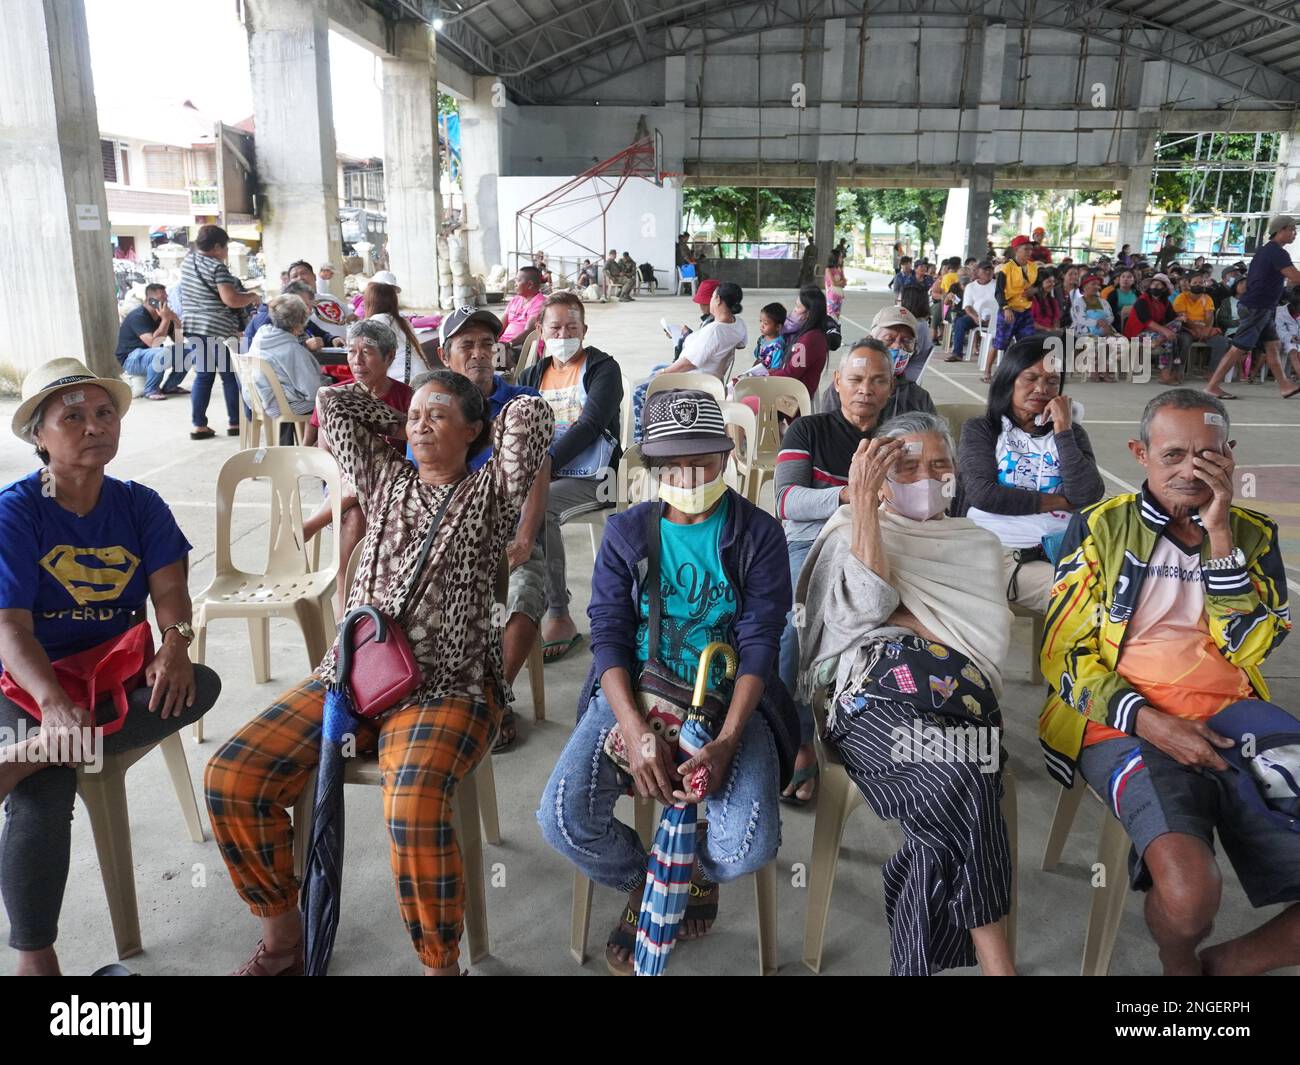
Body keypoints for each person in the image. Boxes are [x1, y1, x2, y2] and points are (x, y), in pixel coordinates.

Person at [207, 369, 552, 977]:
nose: (422, 423)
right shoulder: (385, 479)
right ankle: (285, 939)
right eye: (416, 414)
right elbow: (333, 403)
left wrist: (471, 415)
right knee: (233, 776)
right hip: (353, 677)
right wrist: (407, 418)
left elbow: (532, 416)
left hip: (449, 688)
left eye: (440, 415)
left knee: (413, 801)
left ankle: (441, 966)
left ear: (474, 431)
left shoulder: (490, 491)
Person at [1040, 388, 1300, 975]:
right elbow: (1063, 657)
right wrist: (1148, 721)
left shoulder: (1253, 533)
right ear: (1139, 452)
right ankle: (1178, 963)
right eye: (1174, 454)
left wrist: (1221, 538)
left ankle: (1225, 967)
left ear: (1230, 456)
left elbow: (1255, 644)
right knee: (1188, 898)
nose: (1191, 470)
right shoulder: (1101, 529)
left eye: (1207, 456)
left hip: (1238, 716)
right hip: (1124, 723)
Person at [537, 389, 788, 976]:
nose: (689, 473)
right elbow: (609, 636)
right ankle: (650, 878)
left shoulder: (758, 534)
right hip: (637, 689)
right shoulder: (627, 533)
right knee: (561, 820)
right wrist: (631, 725)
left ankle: (694, 868)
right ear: (650, 465)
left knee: (747, 842)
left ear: (726, 457)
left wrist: (725, 742)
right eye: (672, 462)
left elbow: (759, 644)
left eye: (703, 459)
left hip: (726, 700)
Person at [0, 358, 220, 975]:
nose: (95, 426)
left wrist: (175, 644)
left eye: (104, 413)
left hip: (111, 674)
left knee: (198, 684)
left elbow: (171, 596)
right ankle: (36, 960)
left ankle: (29, 755)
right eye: (72, 417)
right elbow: (10, 630)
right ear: (38, 437)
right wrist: (50, 702)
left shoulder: (138, 504)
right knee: (45, 797)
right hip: (27, 676)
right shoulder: (16, 511)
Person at [795, 412, 1016, 975]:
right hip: (874, 700)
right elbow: (863, 610)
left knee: (945, 810)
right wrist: (866, 508)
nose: (926, 476)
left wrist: (903, 615)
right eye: (907, 466)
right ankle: (998, 967)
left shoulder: (977, 543)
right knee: (965, 778)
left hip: (963, 702)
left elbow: (982, 643)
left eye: (939, 464)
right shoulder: (849, 528)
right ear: (880, 476)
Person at [775, 340, 895, 804]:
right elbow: (787, 502)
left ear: (890, 388)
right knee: (794, 627)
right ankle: (800, 738)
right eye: (857, 379)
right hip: (811, 544)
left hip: (886, 546)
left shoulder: (900, 436)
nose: (866, 390)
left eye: (877, 381)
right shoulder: (808, 430)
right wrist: (853, 494)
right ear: (838, 383)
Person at [955, 335, 1105, 612]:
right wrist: (1063, 501)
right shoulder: (982, 429)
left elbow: (1087, 493)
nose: (1041, 388)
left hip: (1066, 548)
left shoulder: (1070, 433)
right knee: (1083, 597)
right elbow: (984, 494)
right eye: (1031, 378)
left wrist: (1063, 431)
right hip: (1002, 551)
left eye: (1051, 382)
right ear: (1009, 381)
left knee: (1130, 588)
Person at [517, 292, 624, 663]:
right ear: (540, 330)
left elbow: (592, 424)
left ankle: (558, 614)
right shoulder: (532, 374)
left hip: (596, 476)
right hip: (546, 475)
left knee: (538, 508)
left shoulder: (602, 369)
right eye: (556, 327)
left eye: (572, 327)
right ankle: (521, 605)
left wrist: (546, 463)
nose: (564, 334)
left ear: (584, 329)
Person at [304, 320, 415, 605]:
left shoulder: (406, 398)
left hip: (390, 484)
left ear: (389, 357)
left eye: (367, 352)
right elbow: (325, 457)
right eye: (352, 352)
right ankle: (345, 601)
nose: (357, 360)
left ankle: (310, 527)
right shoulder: (336, 396)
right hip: (345, 488)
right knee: (354, 515)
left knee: (358, 506)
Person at [1204, 215, 1300, 400]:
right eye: (1292, 230)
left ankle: (1285, 385)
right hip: (1257, 307)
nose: (1295, 234)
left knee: (1272, 345)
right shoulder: (1277, 252)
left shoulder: (1266, 251)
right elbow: (1294, 277)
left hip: (1262, 306)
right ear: (1281, 230)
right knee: (1238, 348)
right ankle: (1212, 386)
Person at [634, 282, 747, 437]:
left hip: (695, 379)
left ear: (718, 299)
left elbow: (688, 363)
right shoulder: (738, 324)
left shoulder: (714, 331)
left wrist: (663, 373)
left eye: (713, 297)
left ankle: (642, 438)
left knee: (640, 391)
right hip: (713, 376)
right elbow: (739, 344)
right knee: (655, 369)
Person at [180, 224, 260, 440]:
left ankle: (199, 425)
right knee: (229, 376)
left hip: (193, 326)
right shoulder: (217, 268)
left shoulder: (188, 262)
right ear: (216, 247)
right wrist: (251, 296)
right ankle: (235, 422)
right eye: (225, 248)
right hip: (217, 328)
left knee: (203, 376)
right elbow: (231, 300)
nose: (225, 253)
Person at [245, 294, 325, 440]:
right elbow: (313, 391)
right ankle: (311, 449)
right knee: (327, 404)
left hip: (261, 398)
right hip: (283, 405)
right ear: (298, 326)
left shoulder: (261, 336)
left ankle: (302, 446)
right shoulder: (293, 350)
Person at [114, 283, 186, 400]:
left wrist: (176, 321)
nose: (165, 301)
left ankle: (171, 386)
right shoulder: (138, 316)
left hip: (151, 356)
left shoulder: (162, 316)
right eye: (160, 298)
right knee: (161, 352)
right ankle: (151, 390)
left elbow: (178, 341)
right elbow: (154, 344)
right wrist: (166, 319)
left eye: (165, 298)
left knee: (186, 350)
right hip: (131, 359)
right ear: (150, 300)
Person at [986, 235, 1039, 382]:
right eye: (1026, 248)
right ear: (1016, 249)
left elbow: (1039, 286)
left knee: (1027, 343)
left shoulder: (1033, 267)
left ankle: (1022, 373)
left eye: (1030, 249)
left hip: (1026, 311)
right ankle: (987, 371)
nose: (1029, 251)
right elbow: (999, 292)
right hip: (1009, 310)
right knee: (1000, 342)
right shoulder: (1006, 268)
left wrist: (1034, 291)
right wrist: (1005, 308)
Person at [1123, 272, 1189, 385]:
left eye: (1159, 285)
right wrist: (1165, 331)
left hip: (1156, 335)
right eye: (1153, 284)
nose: (1155, 287)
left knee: (1177, 324)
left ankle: (1160, 341)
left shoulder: (1165, 303)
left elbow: (1172, 319)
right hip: (1139, 333)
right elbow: (1147, 321)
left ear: (1164, 288)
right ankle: (1165, 375)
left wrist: (1181, 317)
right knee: (1169, 338)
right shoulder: (1142, 300)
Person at [363, 280, 432, 383]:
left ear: (371, 300)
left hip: (405, 381)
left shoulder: (377, 321)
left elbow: (366, 351)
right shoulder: (402, 320)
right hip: (420, 374)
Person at [947, 260, 997, 363]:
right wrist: (976, 318)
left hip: (995, 317)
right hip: (976, 316)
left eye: (990, 269)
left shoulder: (997, 285)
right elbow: (968, 307)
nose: (988, 272)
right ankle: (957, 353)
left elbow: (1002, 304)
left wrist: (993, 318)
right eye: (985, 269)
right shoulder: (971, 287)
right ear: (978, 271)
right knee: (960, 322)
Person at [1072, 274, 1118, 381]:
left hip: (1105, 329)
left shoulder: (1103, 301)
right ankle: (1095, 370)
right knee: (1096, 343)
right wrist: (1098, 323)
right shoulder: (1079, 301)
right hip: (1085, 332)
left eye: (1098, 285)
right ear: (1084, 287)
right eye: (1093, 284)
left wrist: (1105, 323)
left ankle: (1105, 370)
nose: (1096, 287)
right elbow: (1081, 319)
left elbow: (1111, 316)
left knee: (1117, 341)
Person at [287, 261, 349, 338]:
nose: (300, 278)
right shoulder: (289, 304)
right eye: (295, 276)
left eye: (303, 273)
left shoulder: (331, 298)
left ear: (314, 276)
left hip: (344, 346)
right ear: (290, 283)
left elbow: (352, 318)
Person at [499, 266, 548, 356]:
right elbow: (502, 325)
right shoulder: (515, 300)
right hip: (504, 345)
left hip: (525, 347)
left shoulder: (541, 303)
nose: (515, 284)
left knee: (499, 355)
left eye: (518, 280)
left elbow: (528, 331)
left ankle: (514, 369)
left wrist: (509, 344)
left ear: (529, 284)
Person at [825, 250, 846, 319]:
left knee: (837, 316)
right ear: (835, 258)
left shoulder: (840, 269)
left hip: (839, 295)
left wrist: (838, 283)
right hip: (832, 296)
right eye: (840, 257)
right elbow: (833, 283)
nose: (841, 259)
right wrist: (840, 282)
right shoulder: (828, 269)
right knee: (831, 315)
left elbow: (845, 283)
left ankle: (835, 328)